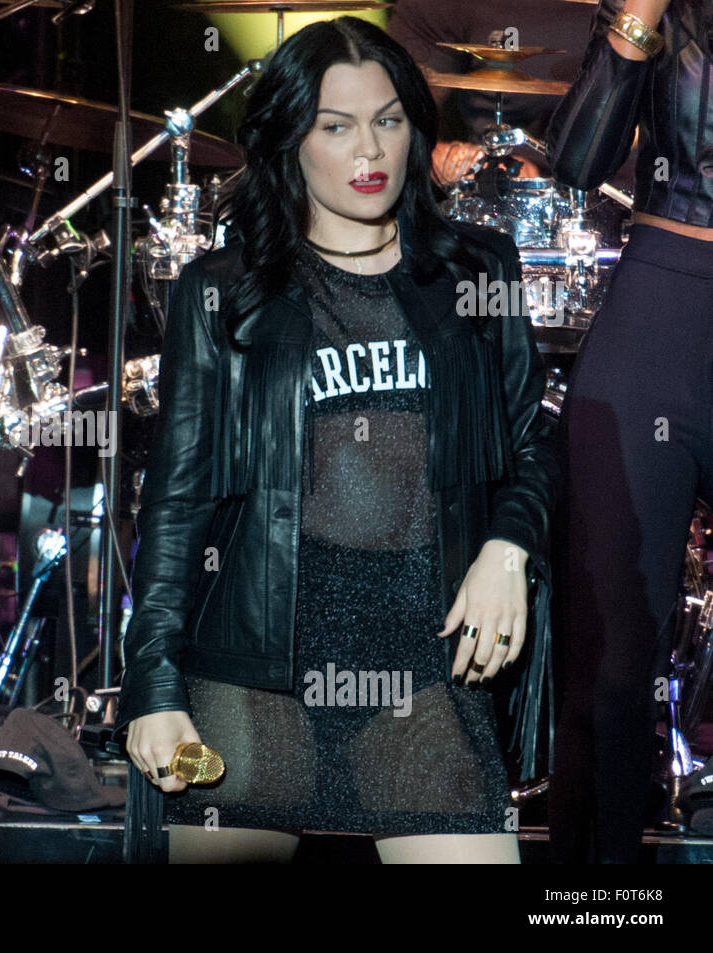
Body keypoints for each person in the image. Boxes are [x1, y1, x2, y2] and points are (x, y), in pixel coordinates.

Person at [113, 16, 558, 863]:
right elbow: (176, 501)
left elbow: (532, 442)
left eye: (388, 120)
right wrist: (154, 684)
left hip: (424, 676)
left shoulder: (477, 270)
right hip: (253, 677)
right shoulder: (221, 292)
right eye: (337, 125)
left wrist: (508, 549)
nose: (370, 150)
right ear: (291, 140)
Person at [545, 0, 713, 864]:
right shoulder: (667, 15)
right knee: (609, 672)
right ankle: (598, 906)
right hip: (660, 311)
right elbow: (576, 161)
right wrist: (636, 19)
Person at [389, 0, 613, 188]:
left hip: (614, 191)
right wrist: (433, 156)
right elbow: (397, 113)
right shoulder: (441, 7)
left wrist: (539, 169)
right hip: (491, 190)